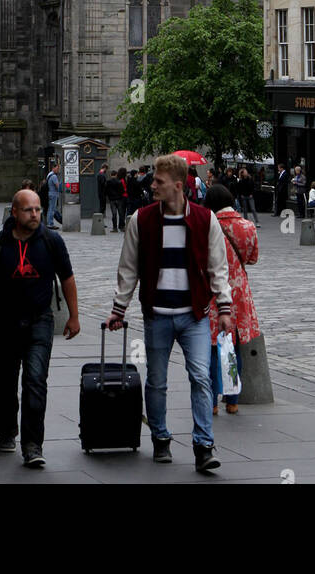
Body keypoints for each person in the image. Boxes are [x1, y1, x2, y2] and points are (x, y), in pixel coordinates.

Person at [106, 153, 233, 474]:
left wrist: (225, 308)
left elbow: (218, 268)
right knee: (157, 381)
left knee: (201, 377)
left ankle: (204, 446)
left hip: (195, 315)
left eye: (158, 182)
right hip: (158, 315)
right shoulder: (141, 219)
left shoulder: (206, 220)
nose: (152, 186)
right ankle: (161, 437)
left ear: (178, 185)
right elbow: (129, 268)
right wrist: (118, 309)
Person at [0, 189, 79, 469]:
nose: (35, 215)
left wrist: (74, 316)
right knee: (5, 384)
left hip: (39, 321)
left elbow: (67, 278)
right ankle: (7, 431)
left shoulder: (52, 241)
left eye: (38, 209)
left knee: (35, 381)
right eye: (29, 210)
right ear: (15, 213)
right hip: (4, 322)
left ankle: (33, 445)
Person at [205, 185, 260, 416]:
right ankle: (232, 399)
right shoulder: (247, 226)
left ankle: (213, 401)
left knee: (212, 346)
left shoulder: (208, 226)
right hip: (238, 291)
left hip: (212, 291)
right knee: (234, 344)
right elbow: (253, 258)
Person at [45, 162, 61, 229]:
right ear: (53, 168)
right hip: (53, 194)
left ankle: (58, 220)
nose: (58, 170)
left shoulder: (49, 174)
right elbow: (58, 186)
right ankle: (50, 224)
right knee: (51, 209)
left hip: (50, 193)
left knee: (52, 209)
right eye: (57, 168)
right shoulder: (54, 176)